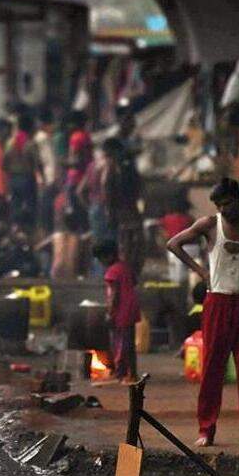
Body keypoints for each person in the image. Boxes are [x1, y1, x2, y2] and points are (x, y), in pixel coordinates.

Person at [167, 178, 239, 449]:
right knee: (212, 368)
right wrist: (201, 272)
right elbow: (173, 244)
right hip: (217, 302)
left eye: (227, 203)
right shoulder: (210, 225)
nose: (224, 209)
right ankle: (206, 430)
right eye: (219, 205)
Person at [94, 240, 141, 385]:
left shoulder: (112, 271)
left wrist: (109, 312)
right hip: (132, 309)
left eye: (101, 259)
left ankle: (120, 374)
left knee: (120, 344)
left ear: (108, 256)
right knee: (129, 344)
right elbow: (133, 283)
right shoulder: (125, 267)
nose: (101, 263)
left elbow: (113, 295)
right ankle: (132, 374)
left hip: (121, 311)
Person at [103, 137, 145, 277]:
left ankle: (126, 273)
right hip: (127, 210)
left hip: (123, 210)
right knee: (129, 243)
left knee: (127, 243)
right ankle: (126, 273)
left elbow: (109, 191)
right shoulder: (121, 165)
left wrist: (109, 211)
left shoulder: (116, 166)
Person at [3, 113, 42, 230]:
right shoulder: (31, 143)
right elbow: (37, 163)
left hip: (13, 179)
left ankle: (16, 230)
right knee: (30, 207)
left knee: (15, 207)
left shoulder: (9, 143)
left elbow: (4, 163)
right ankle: (29, 230)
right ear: (30, 128)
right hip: (27, 179)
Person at [34, 109, 59, 233]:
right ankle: (47, 231)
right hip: (48, 178)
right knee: (47, 207)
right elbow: (48, 160)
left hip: (49, 177)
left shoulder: (45, 138)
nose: (53, 126)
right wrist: (50, 177)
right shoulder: (42, 138)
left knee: (48, 206)